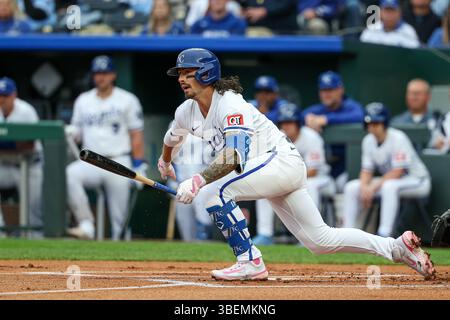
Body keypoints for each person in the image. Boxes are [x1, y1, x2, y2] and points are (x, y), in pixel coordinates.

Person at [158, 47, 436, 281]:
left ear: (206, 73)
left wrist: (197, 180)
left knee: (211, 191)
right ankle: (398, 248)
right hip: (269, 170)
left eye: (188, 73)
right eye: (180, 74)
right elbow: (173, 137)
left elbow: (234, 156)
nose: (182, 79)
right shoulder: (186, 111)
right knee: (321, 241)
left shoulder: (230, 104)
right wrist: (165, 161)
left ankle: (250, 261)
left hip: (280, 162)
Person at [66, 55, 146, 241]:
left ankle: (122, 250)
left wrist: (138, 164)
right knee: (70, 174)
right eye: (97, 73)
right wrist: (72, 132)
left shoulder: (127, 100)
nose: (100, 77)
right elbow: (77, 132)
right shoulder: (83, 100)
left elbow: (136, 135)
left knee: (120, 219)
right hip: (91, 160)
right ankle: (86, 224)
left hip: (118, 160)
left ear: (113, 75)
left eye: (104, 73)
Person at [343, 102, 431, 237]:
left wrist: (372, 188)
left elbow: (398, 171)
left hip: (417, 180)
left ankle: (384, 233)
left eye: (376, 123)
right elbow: (366, 170)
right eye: (370, 124)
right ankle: (346, 233)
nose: (372, 127)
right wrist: (364, 187)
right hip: (392, 181)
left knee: (389, 186)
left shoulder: (397, 137)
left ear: (384, 123)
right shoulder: (368, 140)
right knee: (352, 187)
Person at [252, 103, 335, 245]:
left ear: (298, 123)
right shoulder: (278, 139)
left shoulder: (311, 137)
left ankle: (309, 235)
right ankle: (265, 234)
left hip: (320, 179)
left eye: (290, 122)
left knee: (310, 186)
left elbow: (313, 171)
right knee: (264, 186)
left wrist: (287, 179)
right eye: (284, 122)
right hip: (290, 178)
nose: (286, 125)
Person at [301, 71, 364, 183]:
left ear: (340, 90)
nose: (326, 94)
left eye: (330, 90)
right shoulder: (317, 110)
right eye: (323, 90)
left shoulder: (350, 106)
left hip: (346, 166)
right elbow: (302, 115)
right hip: (323, 166)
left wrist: (326, 119)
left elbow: (360, 115)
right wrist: (308, 118)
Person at [0, 77, 43, 237]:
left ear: (14, 95)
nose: (2, 100)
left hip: (31, 166)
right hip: (5, 167)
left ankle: (39, 248)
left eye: (5, 95)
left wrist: (6, 146)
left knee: (33, 215)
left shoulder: (26, 111)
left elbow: (28, 145)